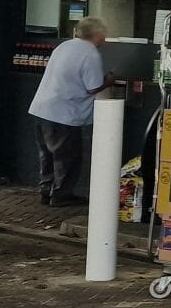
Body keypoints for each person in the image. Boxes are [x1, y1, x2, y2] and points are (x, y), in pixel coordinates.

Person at [29, 17, 112, 208]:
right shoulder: (90, 53)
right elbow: (93, 88)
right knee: (67, 157)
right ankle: (61, 195)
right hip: (64, 114)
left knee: (47, 155)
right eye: (104, 34)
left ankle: (46, 190)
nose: (105, 39)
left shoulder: (64, 46)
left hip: (41, 109)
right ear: (97, 35)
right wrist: (109, 80)